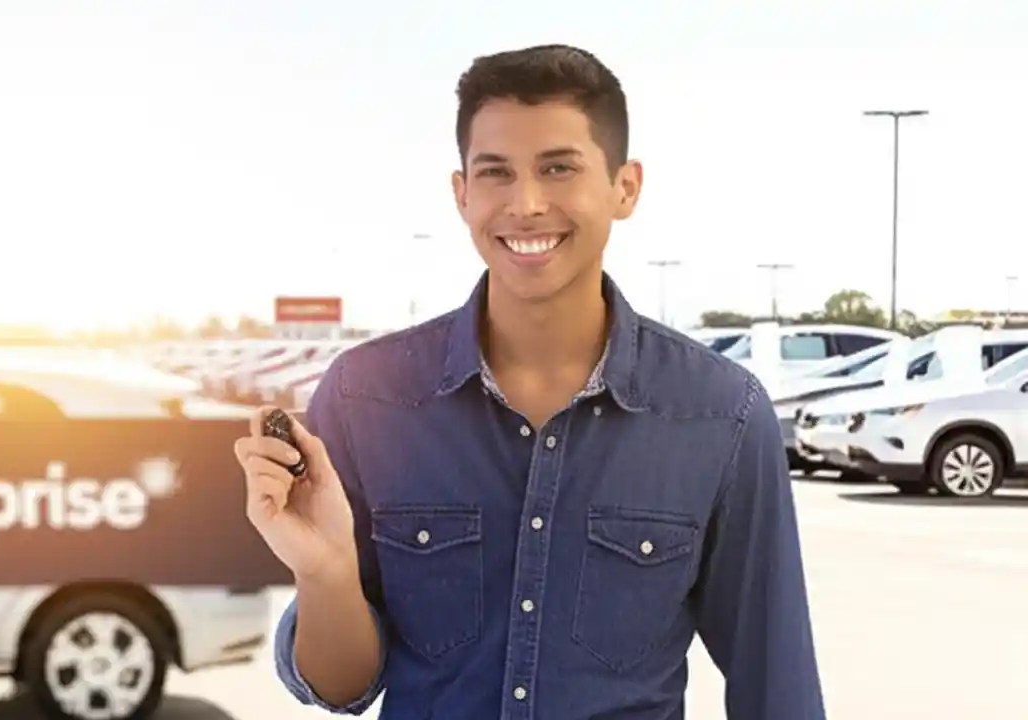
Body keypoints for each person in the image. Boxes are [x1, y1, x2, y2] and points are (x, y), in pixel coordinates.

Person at [233, 43, 825, 719]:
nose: (527, 204)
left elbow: (777, 686)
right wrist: (325, 569)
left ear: (624, 187)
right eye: (496, 174)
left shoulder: (721, 415)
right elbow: (340, 688)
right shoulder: (365, 398)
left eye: (558, 168)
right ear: (462, 194)